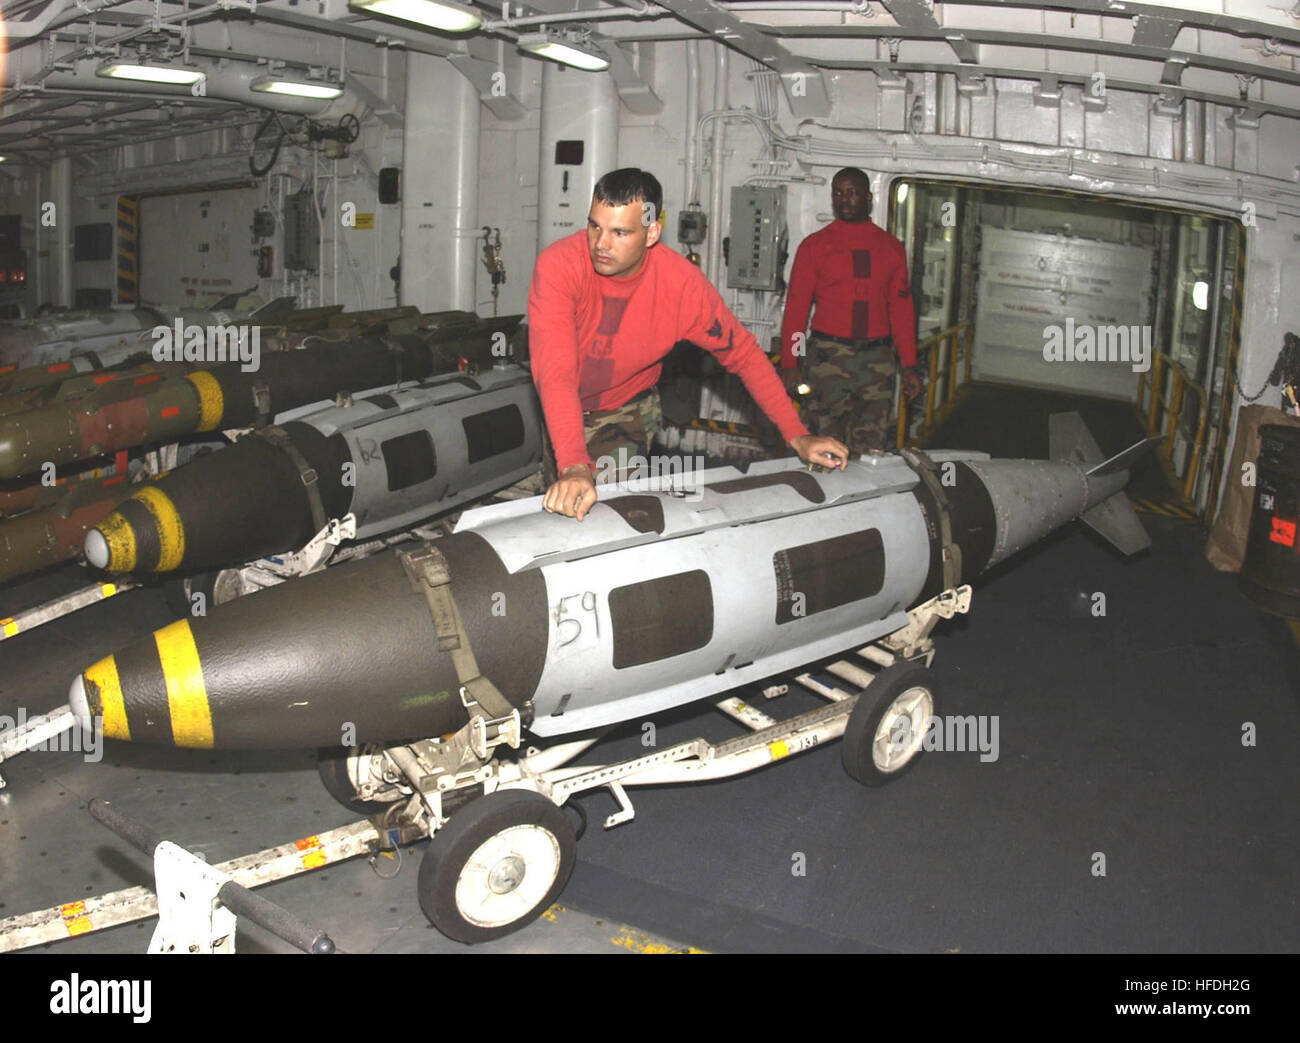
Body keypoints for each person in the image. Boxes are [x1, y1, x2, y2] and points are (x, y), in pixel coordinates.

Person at [527, 168, 849, 521]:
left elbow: (742, 354)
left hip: (625, 412)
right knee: (558, 504)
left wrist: (797, 435)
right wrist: (573, 463)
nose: (601, 244)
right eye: (595, 226)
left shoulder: (681, 287)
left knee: (601, 514)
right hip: (562, 408)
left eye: (620, 232)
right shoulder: (559, 265)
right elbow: (555, 371)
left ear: (651, 233)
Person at [778, 168, 922, 454]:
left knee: (872, 450)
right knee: (821, 444)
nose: (844, 199)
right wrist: (790, 363)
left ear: (868, 198)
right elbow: (796, 310)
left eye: (852, 192)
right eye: (838, 193)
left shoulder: (891, 249)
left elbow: (901, 310)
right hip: (827, 359)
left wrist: (909, 364)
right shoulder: (814, 247)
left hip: (877, 363)